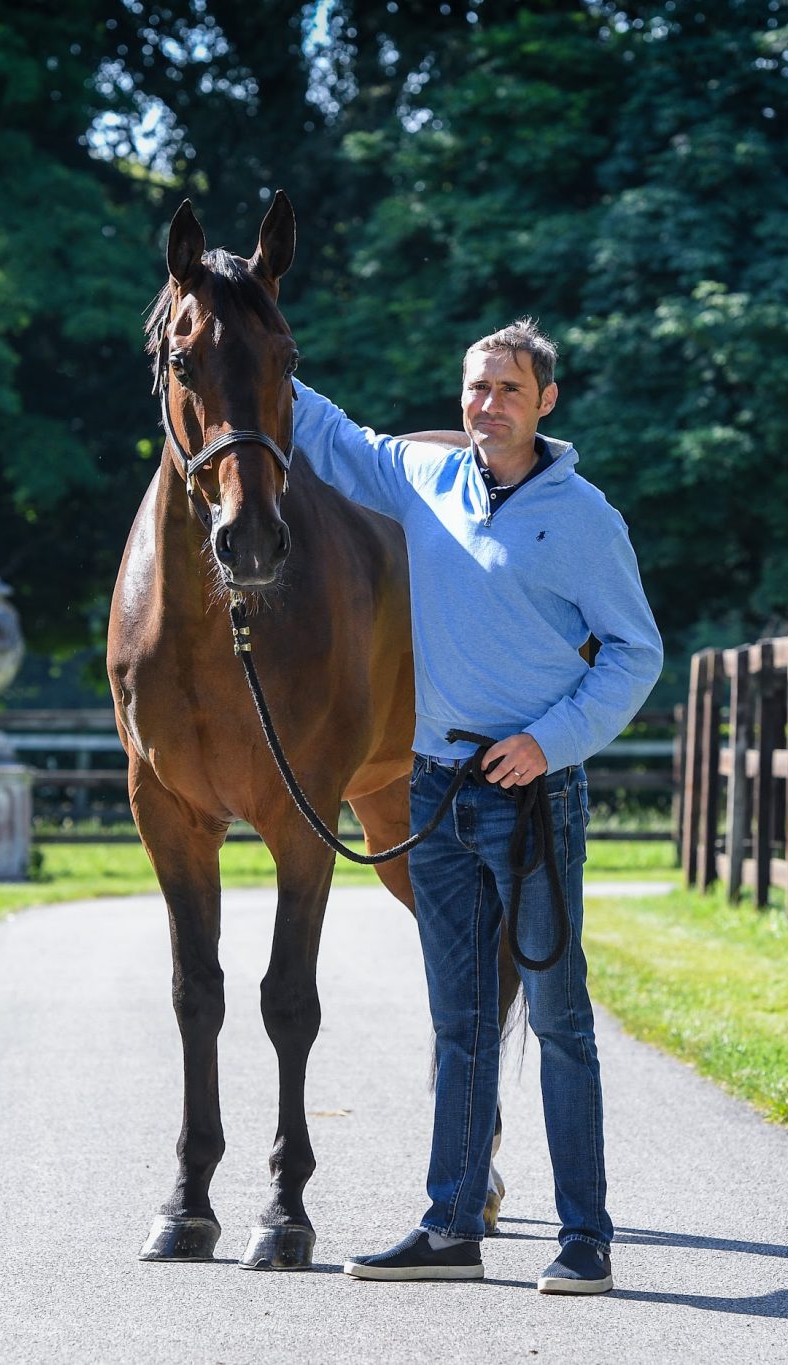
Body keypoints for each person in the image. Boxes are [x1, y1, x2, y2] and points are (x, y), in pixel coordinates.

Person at [290, 319, 663, 1295]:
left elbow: (635, 652)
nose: (483, 405)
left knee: (556, 1019)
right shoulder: (430, 484)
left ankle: (584, 1237)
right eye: (472, 388)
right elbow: (339, 442)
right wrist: (250, 344)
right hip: (436, 792)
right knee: (458, 1022)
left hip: (536, 796)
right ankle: (450, 1226)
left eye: (505, 389)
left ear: (545, 400)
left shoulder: (582, 517)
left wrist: (552, 741)